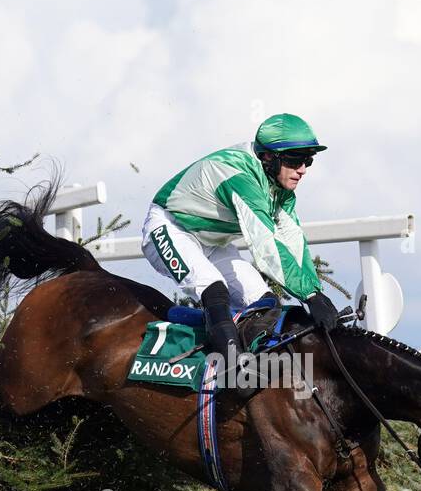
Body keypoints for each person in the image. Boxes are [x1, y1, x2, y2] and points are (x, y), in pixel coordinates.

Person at [140, 113, 343, 375]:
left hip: (212, 243)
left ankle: (259, 366)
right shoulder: (241, 177)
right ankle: (230, 374)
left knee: (264, 301)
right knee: (214, 290)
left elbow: (294, 244)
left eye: (308, 160)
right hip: (169, 228)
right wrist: (310, 296)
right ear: (268, 157)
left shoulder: (281, 188)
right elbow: (267, 247)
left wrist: (315, 292)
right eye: (295, 159)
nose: (302, 169)